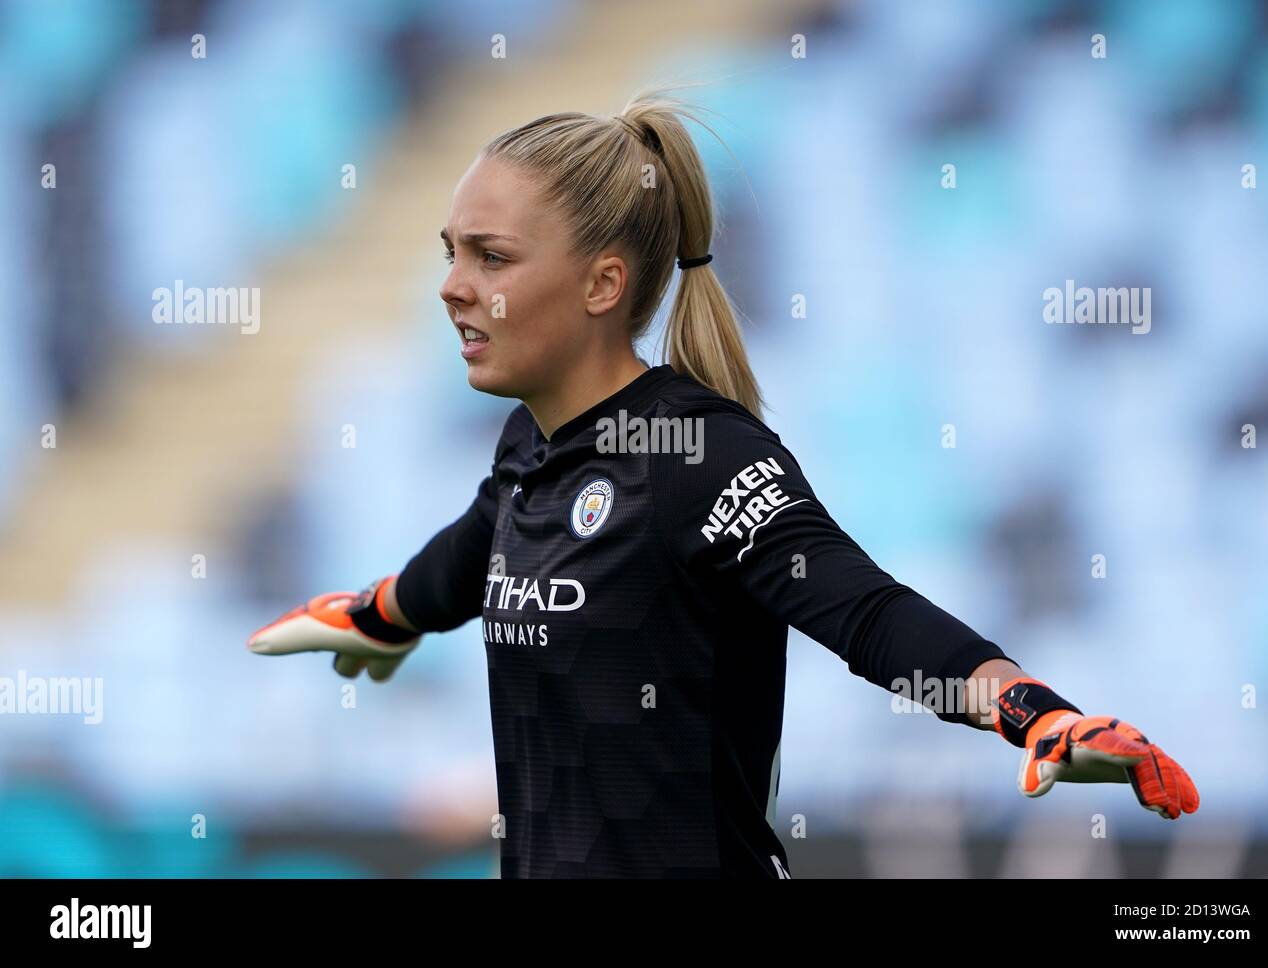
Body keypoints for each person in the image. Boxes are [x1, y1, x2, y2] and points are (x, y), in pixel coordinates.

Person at [249, 89, 1199, 879]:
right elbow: (465, 559)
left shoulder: (701, 456)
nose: (453, 285)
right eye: (449, 251)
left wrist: (1035, 713)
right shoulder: (526, 447)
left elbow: (867, 613)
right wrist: (378, 616)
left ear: (601, 284)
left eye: (489, 256)